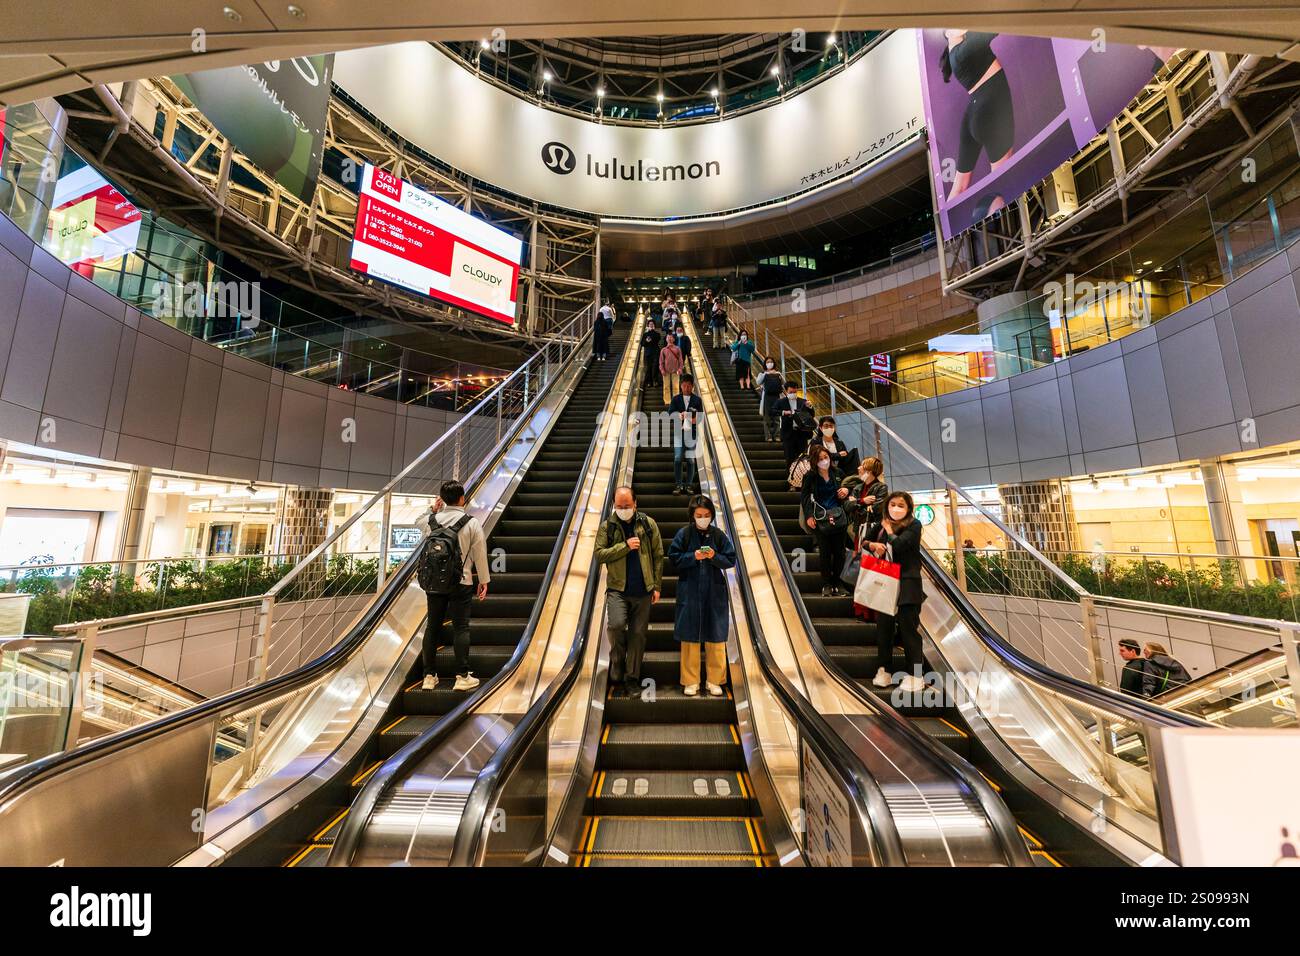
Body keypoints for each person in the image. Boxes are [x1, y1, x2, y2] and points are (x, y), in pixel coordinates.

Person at [416, 481, 490, 692]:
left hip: (434, 585)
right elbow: (480, 554)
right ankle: (462, 676)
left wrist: (433, 508)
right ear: (461, 498)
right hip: (461, 582)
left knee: (432, 627)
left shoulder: (432, 521)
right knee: (461, 628)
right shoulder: (471, 522)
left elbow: (417, 521)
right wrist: (483, 580)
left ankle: (429, 676)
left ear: (442, 499)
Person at [595, 486, 663, 698]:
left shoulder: (648, 525)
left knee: (638, 635)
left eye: (627, 506)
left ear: (635, 503)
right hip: (617, 589)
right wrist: (624, 546)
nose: (623, 509)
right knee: (615, 626)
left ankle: (631, 679)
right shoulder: (608, 527)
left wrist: (657, 586)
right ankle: (617, 661)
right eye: (619, 506)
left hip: (643, 590)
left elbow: (658, 555)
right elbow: (599, 554)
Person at [669, 495, 737, 697]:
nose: (703, 518)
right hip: (689, 590)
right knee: (690, 638)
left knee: (716, 636)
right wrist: (693, 557)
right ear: (692, 515)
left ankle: (715, 680)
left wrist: (714, 556)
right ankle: (691, 681)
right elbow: (674, 558)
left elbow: (731, 559)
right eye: (699, 515)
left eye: (707, 515)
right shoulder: (684, 534)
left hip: (714, 591)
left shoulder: (718, 535)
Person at [939, 30, 1015, 205]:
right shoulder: (964, 49)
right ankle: (999, 225)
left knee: (959, 187)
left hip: (973, 114)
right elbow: (993, 24)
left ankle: (947, 227)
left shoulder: (954, 53)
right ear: (949, 32)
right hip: (991, 108)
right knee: (1002, 179)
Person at [867, 491, 926, 693]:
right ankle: (884, 671)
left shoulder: (914, 525)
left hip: (907, 584)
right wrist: (873, 544)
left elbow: (900, 545)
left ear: (909, 508)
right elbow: (865, 541)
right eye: (893, 504)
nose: (896, 508)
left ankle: (915, 675)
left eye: (901, 505)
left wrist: (889, 531)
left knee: (909, 630)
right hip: (884, 582)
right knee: (884, 629)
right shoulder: (881, 524)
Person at [801, 446, 852, 597]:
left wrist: (846, 490)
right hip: (820, 518)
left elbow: (849, 487)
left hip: (838, 517)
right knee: (825, 552)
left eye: (826, 457)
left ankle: (838, 582)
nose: (825, 461)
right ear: (815, 462)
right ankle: (827, 583)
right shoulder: (810, 476)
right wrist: (809, 515)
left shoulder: (838, 473)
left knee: (840, 553)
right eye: (820, 459)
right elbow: (804, 497)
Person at [668, 374, 704, 495]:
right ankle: (679, 485)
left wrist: (694, 420)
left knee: (690, 460)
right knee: (678, 458)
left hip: (692, 434)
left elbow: (700, 416)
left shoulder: (697, 400)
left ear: (692, 386)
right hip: (679, 433)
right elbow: (670, 413)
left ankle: (688, 485)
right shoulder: (676, 399)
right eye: (684, 385)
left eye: (689, 386)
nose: (686, 388)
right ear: (680, 386)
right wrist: (679, 415)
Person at [843, 456, 888, 543]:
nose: (858, 468)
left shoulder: (881, 488)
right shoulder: (857, 487)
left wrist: (855, 506)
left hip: (873, 531)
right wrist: (863, 501)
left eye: (861, 466)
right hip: (858, 530)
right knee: (860, 555)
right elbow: (847, 506)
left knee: (871, 556)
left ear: (869, 471)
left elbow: (876, 510)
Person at [777, 380, 816, 466]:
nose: (793, 394)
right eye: (791, 392)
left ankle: (802, 477)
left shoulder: (803, 401)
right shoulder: (781, 402)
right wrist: (784, 412)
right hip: (788, 434)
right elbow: (772, 411)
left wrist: (809, 407)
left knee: (803, 458)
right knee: (789, 458)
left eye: (795, 392)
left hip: (801, 434)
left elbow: (812, 415)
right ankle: (790, 477)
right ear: (786, 391)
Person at [757, 357, 783, 442]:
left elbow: (783, 383)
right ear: (765, 364)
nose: (769, 363)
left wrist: (776, 374)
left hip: (776, 397)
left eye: (771, 362)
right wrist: (766, 374)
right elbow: (758, 382)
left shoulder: (778, 373)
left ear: (774, 363)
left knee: (776, 417)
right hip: (766, 398)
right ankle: (768, 436)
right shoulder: (762, 373)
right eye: (767, 362)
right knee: (767, 418)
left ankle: (777, 435)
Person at [659, 332, 685, 406]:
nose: (670, 339)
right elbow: (661, 362)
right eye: (668, 337)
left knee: (676, 387)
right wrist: (662, 370)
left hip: (676, 371)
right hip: (666, 371)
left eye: (671, 337)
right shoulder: (663, 350)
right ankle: (667, 401)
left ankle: (675, 402)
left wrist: (680, 369)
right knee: (666, 387)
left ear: (673, 339)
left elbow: (680, 360)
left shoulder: (677, 348)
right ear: (666, 339)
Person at [641, 318, 662, 388]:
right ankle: (649, 382)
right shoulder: (645, 334)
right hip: (648, 353)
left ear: (654, 326)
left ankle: (655, 381)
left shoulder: (657, 334)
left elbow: (657, 339)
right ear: (648, 325)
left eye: (652, 324)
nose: (651, 325)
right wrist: (646, 341)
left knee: (655, 367)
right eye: (650, 324)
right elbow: (642, 344)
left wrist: (651, 332)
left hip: (656, 352)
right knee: (648, 368)